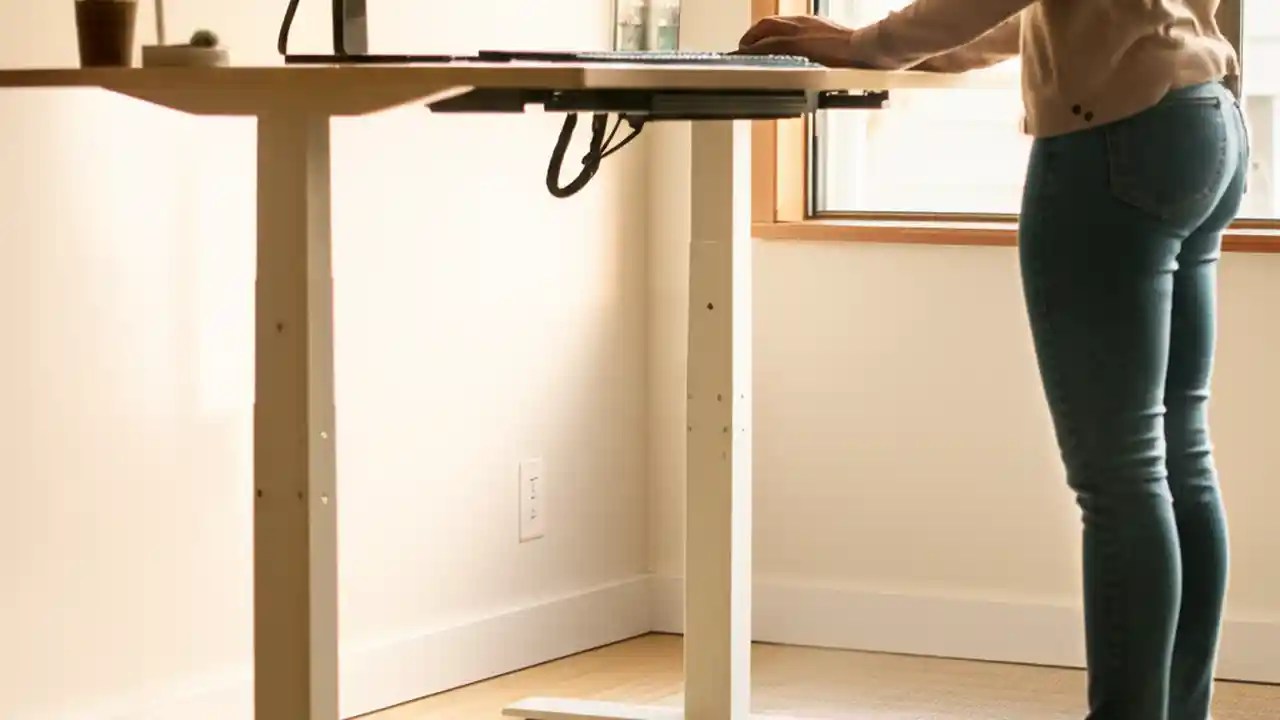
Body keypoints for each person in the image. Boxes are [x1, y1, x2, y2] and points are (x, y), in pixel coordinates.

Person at [739, 2, 1250, 719]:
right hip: (1203, 117)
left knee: (1123, 473)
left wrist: (868, 44)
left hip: (1117, 136)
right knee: (1177, 455)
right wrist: (920, 50)